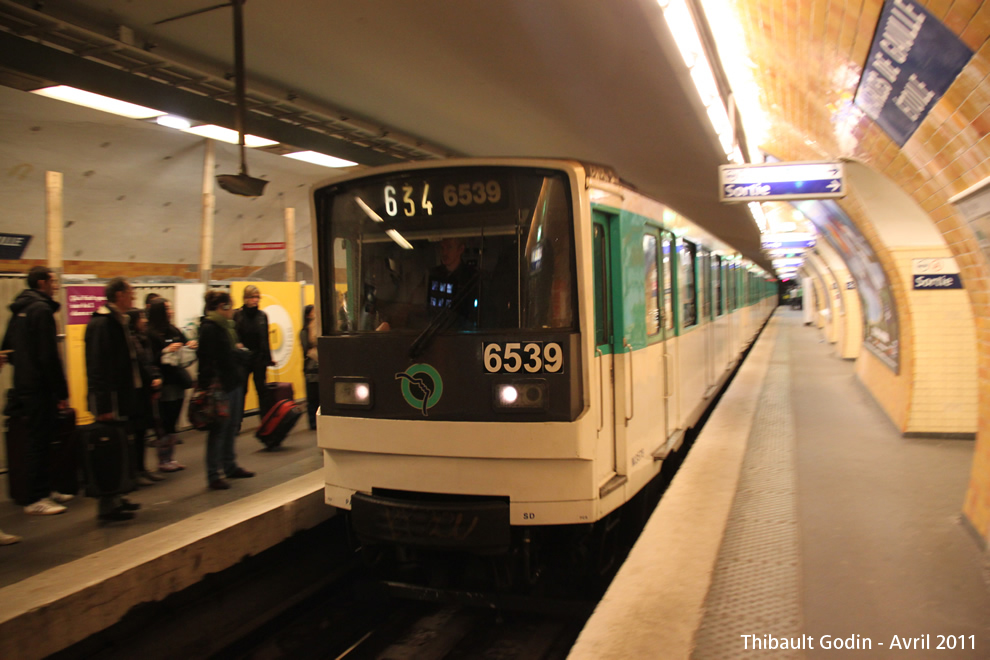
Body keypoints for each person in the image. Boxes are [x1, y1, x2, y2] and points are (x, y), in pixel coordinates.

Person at [1, 266, 72, 515]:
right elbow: (48, 356)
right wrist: (62, 391)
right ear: (42, 282)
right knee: (38, 442)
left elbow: (7, 346)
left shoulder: (19, 308)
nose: (55, 285)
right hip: (40, 388)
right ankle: (36, 499)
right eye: (53, 281)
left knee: (41, 440)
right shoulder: (41, 310)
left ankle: (45, 488)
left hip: (25, 385)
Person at [85, 276, 142, 521]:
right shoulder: (102, 324)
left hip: (121, 395)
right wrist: (104, 404)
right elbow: (98, 366)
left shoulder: (119, 321)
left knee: (119, 447)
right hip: (110, 398)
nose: (134, 298)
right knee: (107, 449)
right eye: (130, 293)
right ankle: (107, 504)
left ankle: (117, 496)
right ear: (119, 295)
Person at [198, 290, 255, 490]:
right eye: (228, 306)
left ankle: (230, 465)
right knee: (218, 430)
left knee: (231, 427)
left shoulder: (228, 327)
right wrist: (206, 387)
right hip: (220, 386)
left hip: (234, 381)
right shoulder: (209, 328)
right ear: (220, 307)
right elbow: (211, 359)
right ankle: (213, 473)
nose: (231, 310)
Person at [146, 297, 194, 472]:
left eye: (170, 308)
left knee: (173, 421)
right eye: (166, 309)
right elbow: (149, 359)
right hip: (163, 383)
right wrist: (165, 352)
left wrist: (189, 345)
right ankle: (163, 459)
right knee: (163, 422)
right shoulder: (150, 334)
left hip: (177, 381)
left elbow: (184, 342)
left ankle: (170, 457)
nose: (170, 311)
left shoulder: (174, 330)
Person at [127, 309, 165, 485]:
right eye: (140, 318)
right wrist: (151, 378)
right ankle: (135, 471)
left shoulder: (143, 339)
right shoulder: (132, 341)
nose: (144, 321)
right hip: (137, 392)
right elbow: (140, 365)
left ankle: (142, 468)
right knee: (136, 432)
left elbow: (149, 363)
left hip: (146, 389)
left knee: (143, 433)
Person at [234, 285, 275, 416]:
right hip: (243, 359)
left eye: (257, 297)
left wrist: (269, 358)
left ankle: (265, 421)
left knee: (262, 389)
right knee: (242, 390)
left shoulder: (262, 316)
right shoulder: (238, 315)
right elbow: (234, 335)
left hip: (259, 357)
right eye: (252, 297)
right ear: (245, 298)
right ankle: (237, 422)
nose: (255, 300)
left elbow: (265, 338)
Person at [427, 237, 479, 329]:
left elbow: (474, 314)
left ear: (461, 249)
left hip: (462, 334)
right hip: (435, 331)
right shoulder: (434, 275)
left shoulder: (471, 278)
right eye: (442, 248)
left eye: (449, 247)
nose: (444, 252)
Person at [300, 304, 319, 430]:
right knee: (312, 396)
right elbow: (306, 347)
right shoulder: (305, 331)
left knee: (318, 394)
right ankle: (312, 421)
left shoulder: (316, 327)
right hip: (311, 366)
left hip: (317, 365)